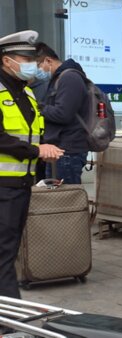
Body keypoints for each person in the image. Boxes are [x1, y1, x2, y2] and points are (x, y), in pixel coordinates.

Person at [0, 30, 64, 298]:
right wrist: (37, 150)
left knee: (8, 251)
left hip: (21, 187)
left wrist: (44, 157)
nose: (32, 65)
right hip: (2, 188)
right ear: (6, 61)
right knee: (3, 255)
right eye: (24, 58)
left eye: (32, 59)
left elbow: (31, 133)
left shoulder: (25, 93)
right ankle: (9, 320)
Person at [35, 42, 89, 184]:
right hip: (59, 151)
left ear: (48, 60)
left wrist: (38, 108)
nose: (37, 70)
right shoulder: (58, 78)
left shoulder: (69, 78)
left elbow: (63, 114)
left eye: (38, 65)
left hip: (67, 152)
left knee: (66, 201)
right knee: (55, 200)